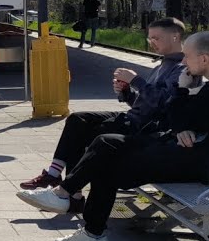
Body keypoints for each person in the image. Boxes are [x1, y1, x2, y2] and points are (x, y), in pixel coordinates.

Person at [17, 30, 209, 241]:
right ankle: (83, 220)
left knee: (107, 152)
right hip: (179, 147)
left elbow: (176, 114)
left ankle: (71, 204)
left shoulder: (203, 87)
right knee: (106, 144)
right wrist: (182, 123)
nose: (184, 60)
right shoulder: (205, 87)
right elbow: (181, 117)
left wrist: (181, 97)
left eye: (188, 55)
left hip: (196, 161)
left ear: (204, 59)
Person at [18, 18, 187, 199]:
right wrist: (127, 93)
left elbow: (165, 104)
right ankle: (54, 175)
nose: (152, 42)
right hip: (135, 118)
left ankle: (70, 194)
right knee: (77, 119)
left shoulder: (181, 68)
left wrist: (136, 81)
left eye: (156, 38)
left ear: (175, 37)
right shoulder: (163, 65)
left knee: (88, 133)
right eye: (150, 38)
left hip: (145, 127)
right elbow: (146, 103)